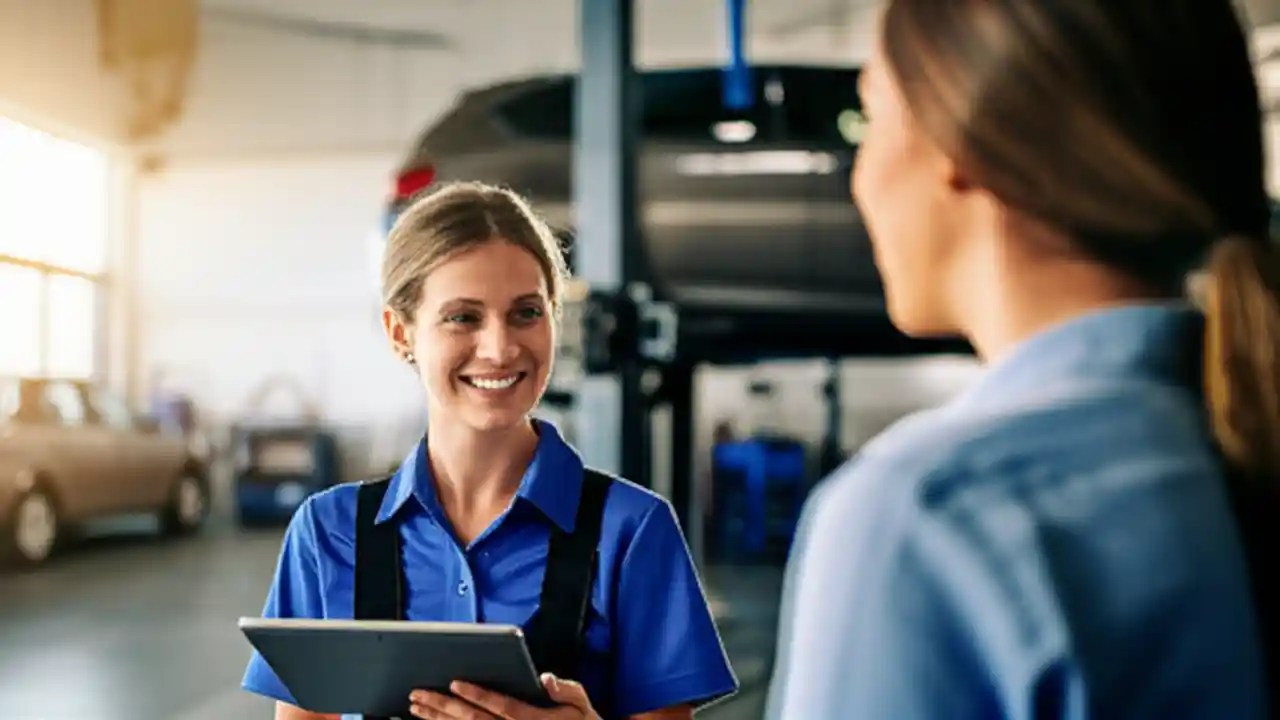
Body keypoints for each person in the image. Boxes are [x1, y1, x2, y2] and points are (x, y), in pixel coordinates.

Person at [767, 1, 1279, 718]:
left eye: (872, 118)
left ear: (959, 153)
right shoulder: (1231, 443)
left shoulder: (929, 515)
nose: (861, 179)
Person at [242, 181, 737, 720]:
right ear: (399, 333)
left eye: (526, 313)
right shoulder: (327, 534)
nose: (500, 349)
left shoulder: (632, 532)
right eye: (463, 317)